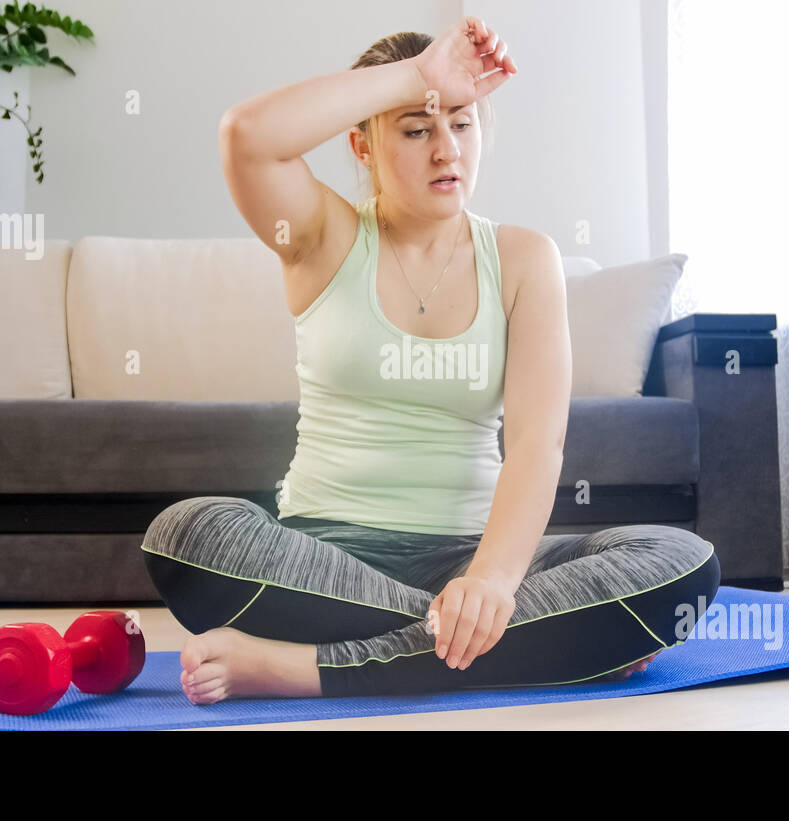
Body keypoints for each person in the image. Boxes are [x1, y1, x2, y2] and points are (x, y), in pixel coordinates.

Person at [141, 16, 720, 702]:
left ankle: (307, 667)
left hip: (472, 561)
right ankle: (543, 641)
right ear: (362, 143)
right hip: (320, 560)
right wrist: (420, 76)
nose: (446, 150)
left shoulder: (524, 260)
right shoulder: (323, 237)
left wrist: (493, 584)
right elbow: (246, 138)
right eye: (416, 129)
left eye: (463, 124)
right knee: (188, 534)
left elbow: (538, 443)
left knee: (683, 562)